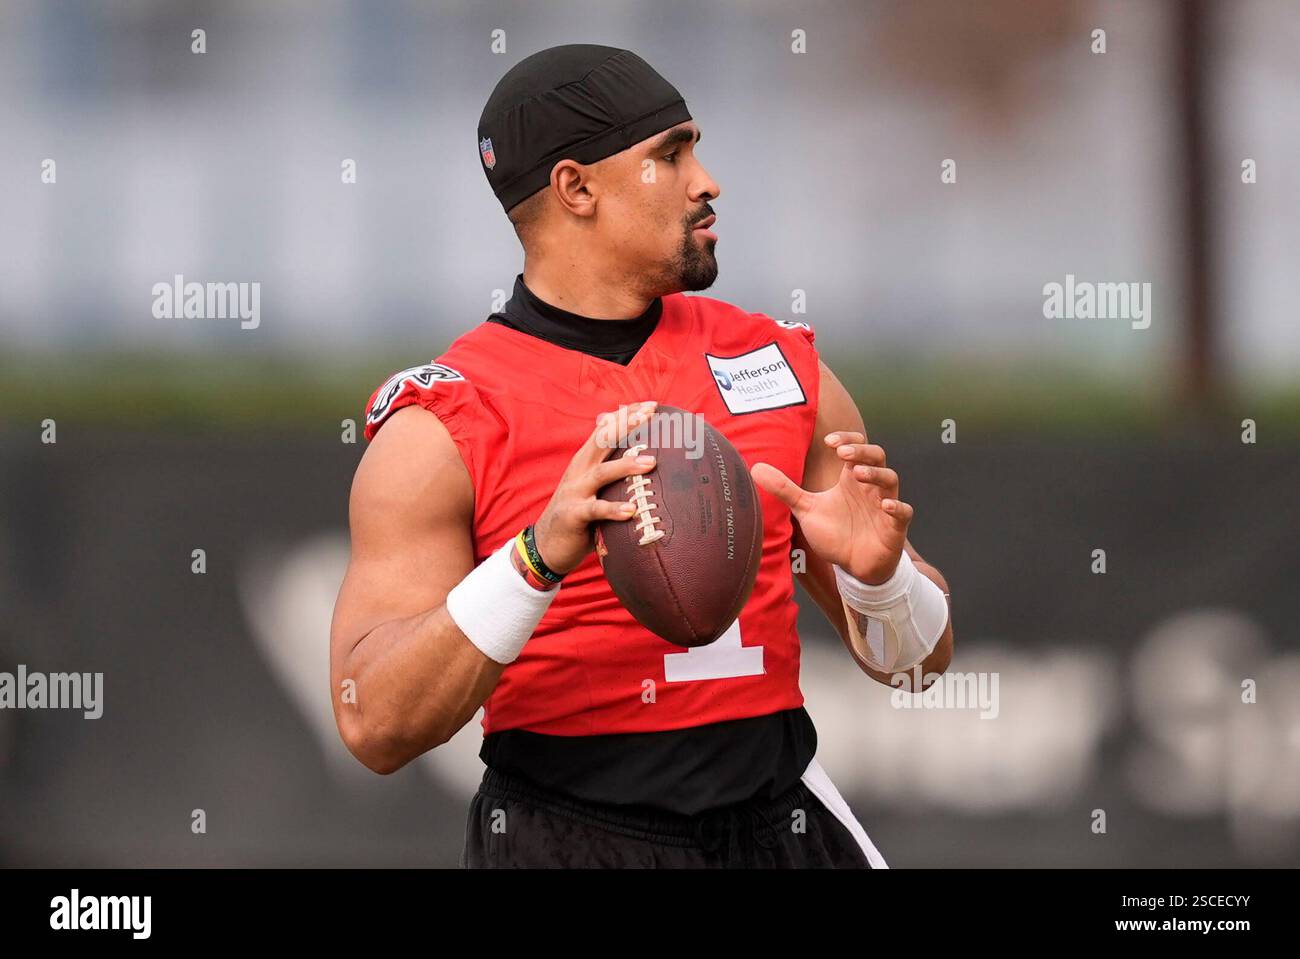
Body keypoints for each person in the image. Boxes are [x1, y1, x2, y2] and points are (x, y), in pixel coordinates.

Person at [329, 44, 954, 868]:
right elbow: (373, 724)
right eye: (671, 154)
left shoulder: (777, 368)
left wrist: (883, 581)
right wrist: (533, 558)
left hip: (778, 824)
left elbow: (916, 671)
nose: (707, 180)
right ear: (575, 188)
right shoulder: (447, 422)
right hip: (570, 839)